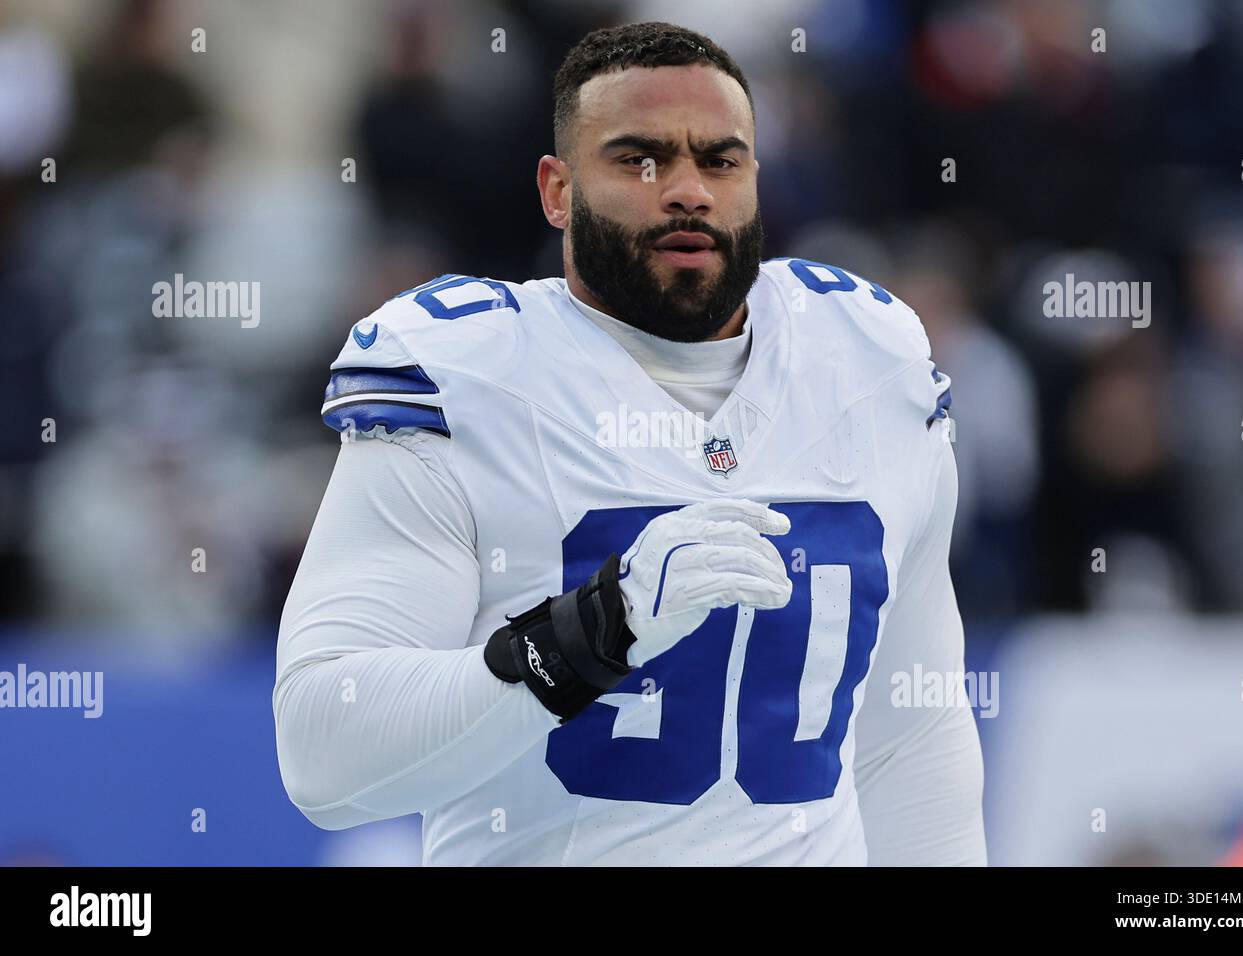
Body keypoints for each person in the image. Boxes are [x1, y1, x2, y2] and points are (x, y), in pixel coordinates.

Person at [273, 21, 985, 866]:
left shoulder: (867, 359)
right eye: (639, 159)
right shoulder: (469, 374)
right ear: (558, 190)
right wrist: (596, 631)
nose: (687, 190)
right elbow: (326, 754)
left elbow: (911, 739)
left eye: (720, 160)